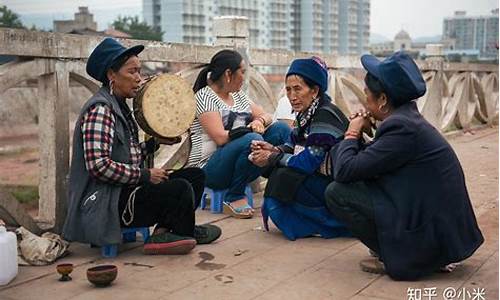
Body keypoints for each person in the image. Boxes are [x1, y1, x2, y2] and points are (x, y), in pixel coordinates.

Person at [324, 51, 484, 280]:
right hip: (438, 226)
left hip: (434, 235)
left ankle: (398, 255)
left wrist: (352, 131)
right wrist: (362, 135)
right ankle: (404, 248)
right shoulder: (406, 120)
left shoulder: (401, 128)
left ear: (383, 100)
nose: (365, 101)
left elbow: (344, 171)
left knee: (337, 193)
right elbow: (368, 162)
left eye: (368, 94)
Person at [62, 38, 221, 255]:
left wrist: (155, 144)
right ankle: (182, 231)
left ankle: (168, 232)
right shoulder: (101, 110)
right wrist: (145, 175)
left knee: (195, 176)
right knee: (180, 188)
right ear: (111, 75)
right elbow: (99, 166)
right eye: (132, 72)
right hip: (105, 203)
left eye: (139, 71)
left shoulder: (119, 106)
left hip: (125, 192)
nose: (138, 78)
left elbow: (127, 154)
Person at [249, 57, 351, 241]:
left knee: (283, 176)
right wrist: (272, 149)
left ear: (314, 90)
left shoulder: (325, 114)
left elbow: (308, 161)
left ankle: (328, 224)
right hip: (319, 179)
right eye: (288, 89)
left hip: (337, 187)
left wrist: (271, 158)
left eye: (298, 89)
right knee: (281, 172)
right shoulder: (305, 115)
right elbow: (291, 146)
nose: (292, 96)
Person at [188, 49, 291, 219]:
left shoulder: (238, 96)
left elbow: (266, 116)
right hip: (208, 170)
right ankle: (233, 196)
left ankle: (281, 186)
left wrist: (259, 122)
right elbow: (220, 138)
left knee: (282, 129)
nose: (244, 77)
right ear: (228, 74)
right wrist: (250, 130)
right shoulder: (204, 97)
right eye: (242, 72)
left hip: (238, 165)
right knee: (253, 139)